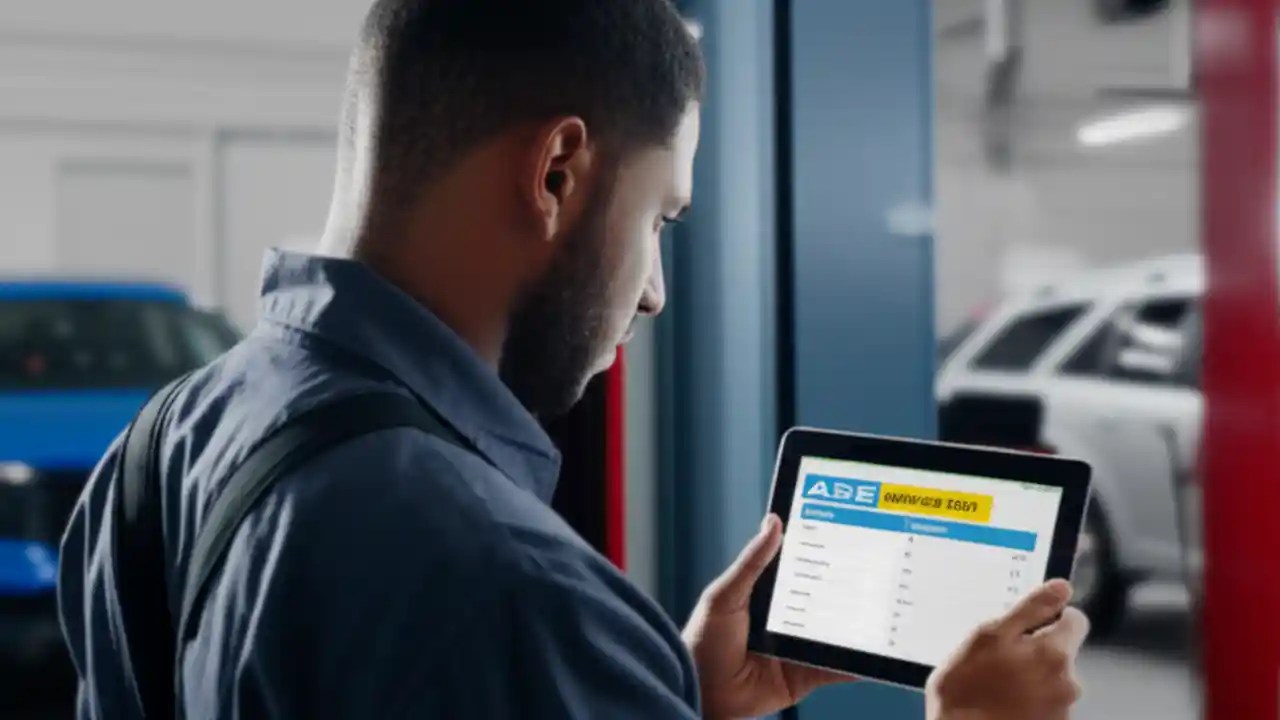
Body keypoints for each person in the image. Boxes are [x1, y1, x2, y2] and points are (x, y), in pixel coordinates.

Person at [59, 1, 1088, 718]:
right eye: (660, 218)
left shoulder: (166, 441)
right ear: (557, 170)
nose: (652, 291)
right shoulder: (511, 588)